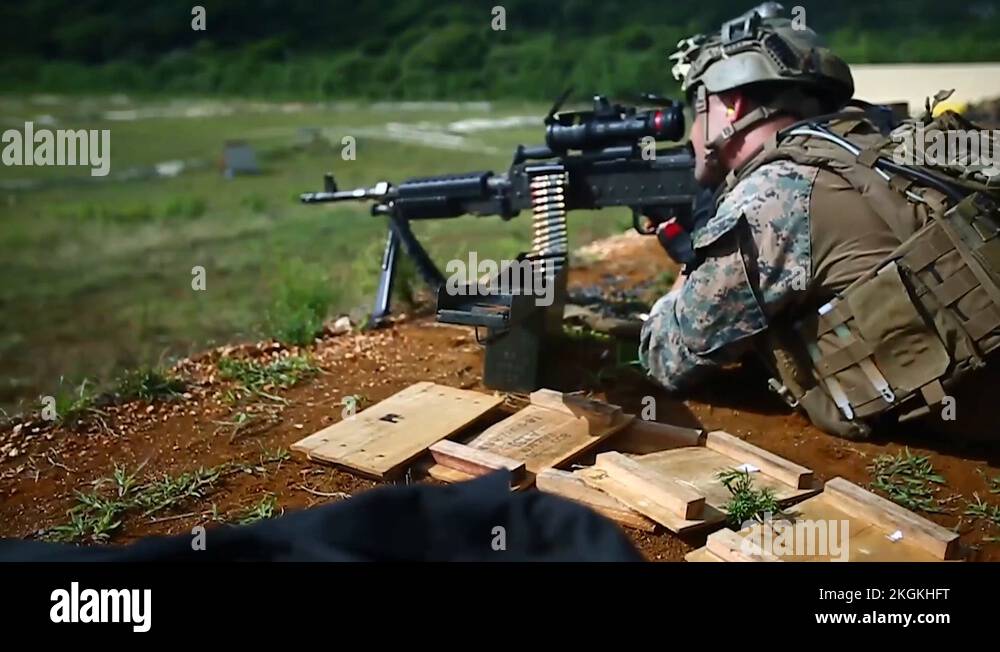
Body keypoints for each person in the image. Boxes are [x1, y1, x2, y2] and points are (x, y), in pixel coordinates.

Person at [639, 3, 1000, 440]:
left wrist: (688, 266)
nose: (695, 130)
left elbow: (668, 355)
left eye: (698, 107)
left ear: (731, 105)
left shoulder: (773, 197)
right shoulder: (883, 147)